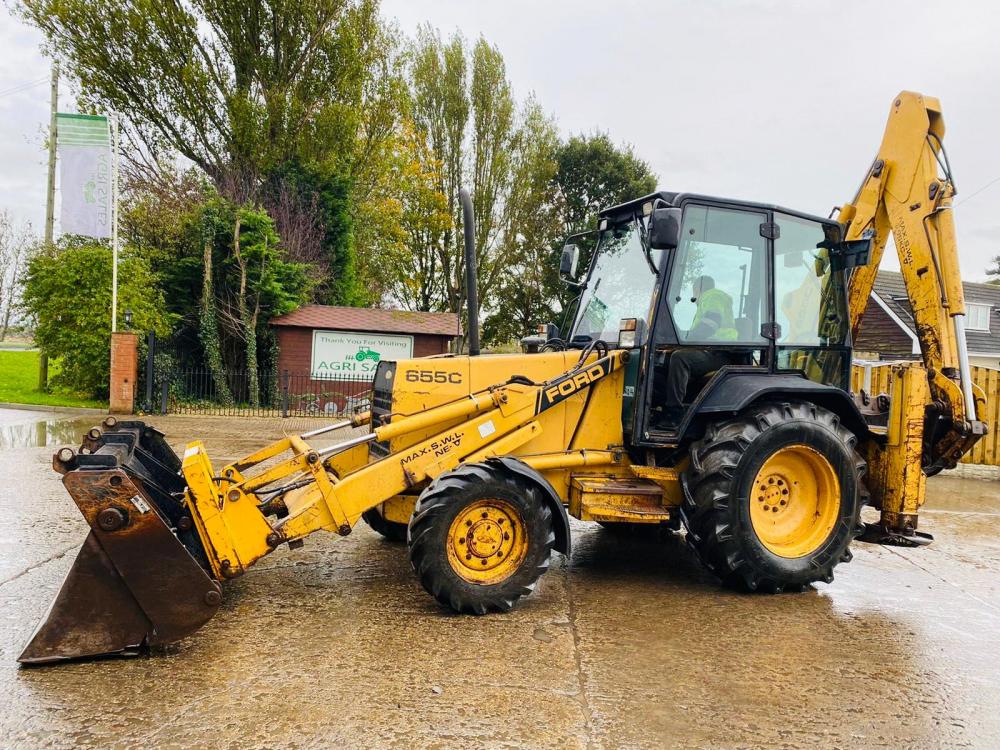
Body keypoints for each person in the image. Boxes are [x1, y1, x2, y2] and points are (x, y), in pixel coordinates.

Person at [661, 276, 736, 426]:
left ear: (697, 289)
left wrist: (683, 341)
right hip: (712, 350)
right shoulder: (711, 299)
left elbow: (710, 325)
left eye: (694, 293)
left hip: (719, 352)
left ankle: (673, 413)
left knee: (680, 358)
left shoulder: (712, 296)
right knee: (668, 357)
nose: (694, 297)